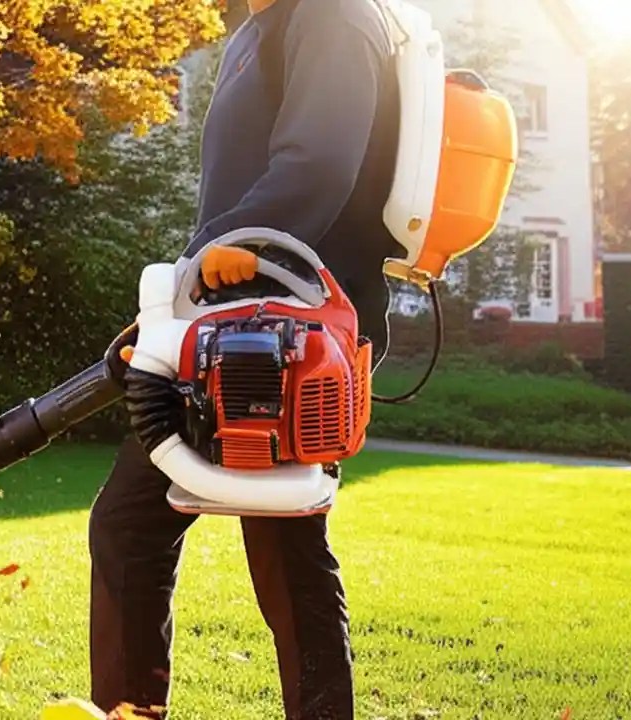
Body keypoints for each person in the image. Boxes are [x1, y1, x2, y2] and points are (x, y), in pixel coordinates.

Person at [88, 0, 403, 717]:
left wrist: (192, 275)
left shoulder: (330, 15)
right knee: (258, 544)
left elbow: (315, 168)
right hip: (232, 324)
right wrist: (179, 300)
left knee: (155, 527)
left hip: (293, 332)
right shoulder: (255, 29)